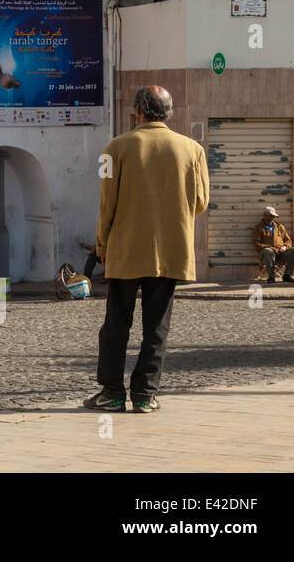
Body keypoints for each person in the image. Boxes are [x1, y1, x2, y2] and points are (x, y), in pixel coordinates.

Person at [85, 85, 209, 415]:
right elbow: (200, 203)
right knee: (157, 328)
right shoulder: (193, 150)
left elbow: (105, 204)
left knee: (116, 326)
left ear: (137, 111)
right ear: (169, 112)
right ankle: (145, 395)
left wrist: (102, 244)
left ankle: (112, 393)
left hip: (125, 250)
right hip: (171, 251)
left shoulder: (114, 148)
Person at [251, 207, 294, 283]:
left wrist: (284, 246)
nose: (268, 218)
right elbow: (256, 243)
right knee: (268, 251)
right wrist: (271, 248)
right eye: (266, 216)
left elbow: (288, 240)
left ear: (274, 217)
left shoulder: (280, 227)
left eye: (270, 216)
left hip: (280, 252)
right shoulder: (258, 228)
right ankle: (271, 277)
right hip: (266, 254)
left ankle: (287, 275)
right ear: (264, 216)